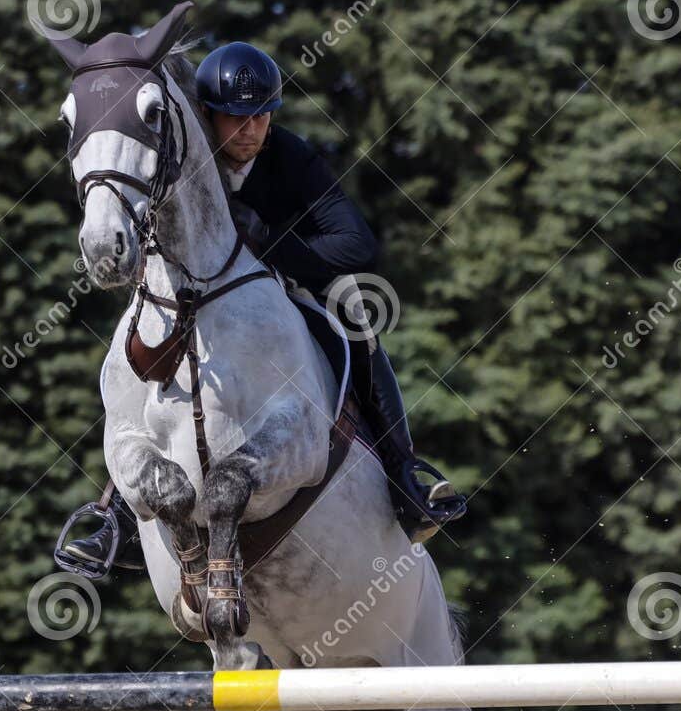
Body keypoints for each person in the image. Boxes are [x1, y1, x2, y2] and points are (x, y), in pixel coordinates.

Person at [55, 42, 466, 580]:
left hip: (282, 285)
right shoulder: (177, 153)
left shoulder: (290, 155)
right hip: (185, 296)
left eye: (262, 116)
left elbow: (356, 244)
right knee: (130, 364)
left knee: (356, 323)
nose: (250, 131)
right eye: (235, 117)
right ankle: (118, 520)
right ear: (206, 114)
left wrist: (268, 246)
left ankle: (402, 473)